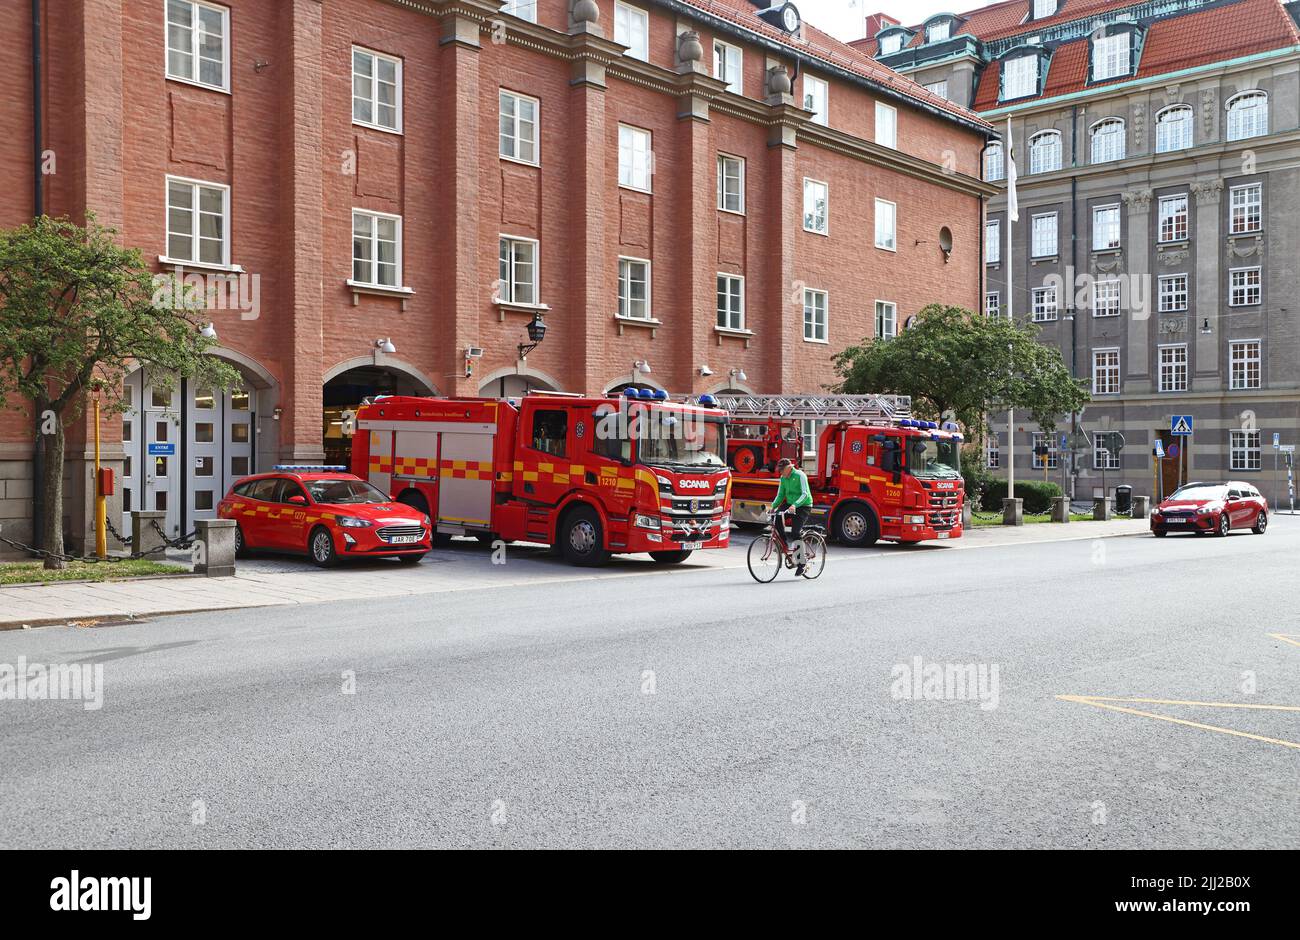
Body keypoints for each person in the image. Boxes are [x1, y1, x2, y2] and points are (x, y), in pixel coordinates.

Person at [770, 457, 813, 575]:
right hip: (790, 504)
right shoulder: (783, 478)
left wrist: (795, 505)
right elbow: (780, 494)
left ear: (789, 468)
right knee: (776, 517)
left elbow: (805, 494)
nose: (780, 472)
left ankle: (802, 564)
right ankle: (783, 544)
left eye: (782, 470)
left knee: (795, 533)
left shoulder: (800, 475)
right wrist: (773, 506)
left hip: (803, 505)